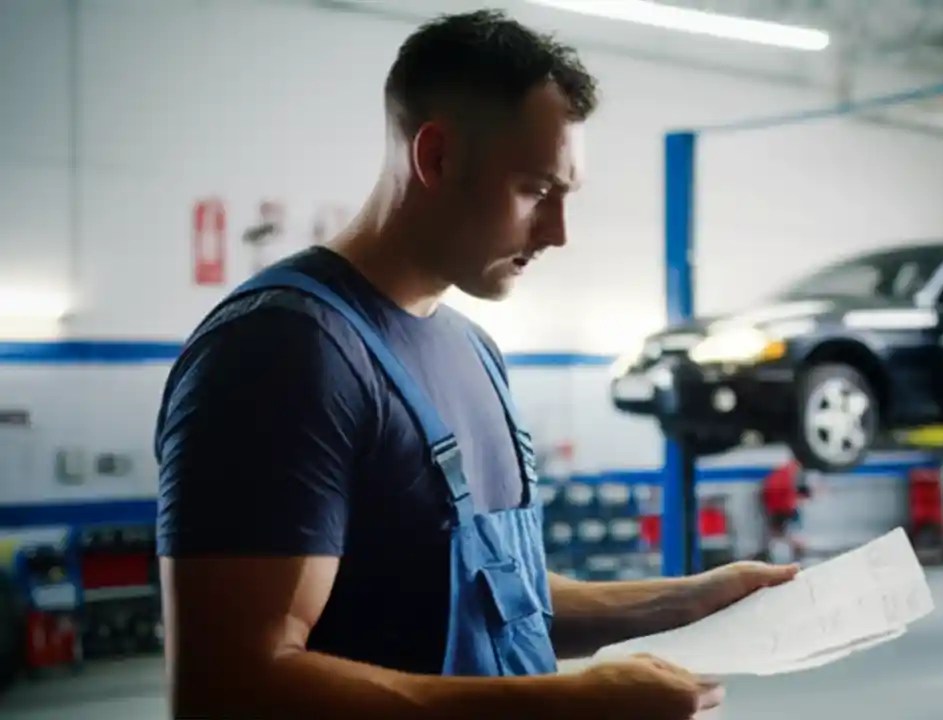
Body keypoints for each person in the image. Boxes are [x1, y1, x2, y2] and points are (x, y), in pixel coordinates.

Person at [153, 10, 796, 720]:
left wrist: (685, 600)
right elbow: (231, 687)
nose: (557, 234)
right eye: (536, 191)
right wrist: (567, 706)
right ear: (435, 158)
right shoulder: (281, 353)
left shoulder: (473, 351)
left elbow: (498, 602)